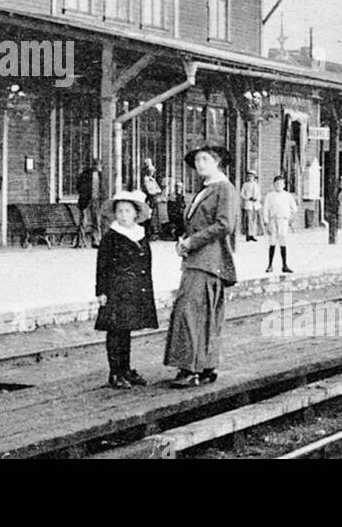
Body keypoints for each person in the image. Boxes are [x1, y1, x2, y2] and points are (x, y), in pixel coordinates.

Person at [165, 144, 238, 389]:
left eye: (205, 159)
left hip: (208, 260)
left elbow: (225, 224)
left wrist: (192, 242)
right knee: (202, 312)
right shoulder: (205, 190)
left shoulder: (224, 189)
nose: (200, 164)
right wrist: (183, 241)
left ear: (217, 161)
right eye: (197, 160)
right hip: (198, 258)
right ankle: (206, 366)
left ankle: (189, 369)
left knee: (190, 311)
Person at [94, 190, 157, 389]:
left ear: (135, 214)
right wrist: (101, 291)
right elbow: (101, 266)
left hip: (135, 289)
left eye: (127, 211)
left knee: (126, 329)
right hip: (116, 289)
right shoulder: (111, 237)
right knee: (115, 330)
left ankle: (126, 369)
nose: (122, 215)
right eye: (119, 211)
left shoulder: (140, 235)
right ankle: (115, 372)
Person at [262, 175, 298, 274]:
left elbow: (294, 208)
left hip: (283, 220)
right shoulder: (270, 195)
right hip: (273, 220)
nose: (279, 185)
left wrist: (291, 218)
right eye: (277, 183)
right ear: (274, 185)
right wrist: (266, 220)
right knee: (272, 241)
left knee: (283, 241)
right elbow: (265, 208)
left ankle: (284, 265)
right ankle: (270, 265)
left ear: (284, 185)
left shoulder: (287, 195)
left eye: (281, 183)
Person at [76, 159, 104, 247]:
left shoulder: (101, 175)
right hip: (85, 200)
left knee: (96, 220)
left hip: (96, 200)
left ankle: (96, 241)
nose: (97, 166)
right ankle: (81, 241)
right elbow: (78, 186)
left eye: (98, 165)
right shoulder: (85, 174)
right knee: (83, 221)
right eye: (95, 165)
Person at [141, 159, 163, 241]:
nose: (152, 172)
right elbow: (148, 190)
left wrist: (155, 191)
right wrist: (154, 191)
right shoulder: (146, 179)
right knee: (149, 216)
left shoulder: (153, 180)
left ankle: (154, 233)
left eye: (152, 171)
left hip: (154, 199)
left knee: (155, 216)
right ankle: (148, 233)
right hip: (149, 199)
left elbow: (159, 190)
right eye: (150, 171)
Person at [239, 171, 262, 242]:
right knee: (248, 220)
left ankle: (253, 235)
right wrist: (248, 198)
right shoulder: (245, 185)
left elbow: (259, 194)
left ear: (254, 177)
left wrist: (257, 199)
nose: (250, 178)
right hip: (248, 204)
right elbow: (241, 194)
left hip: (255, 205)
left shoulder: (257, 185)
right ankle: (248, 235)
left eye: (252, 176)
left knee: (254, 220)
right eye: (249, 176)